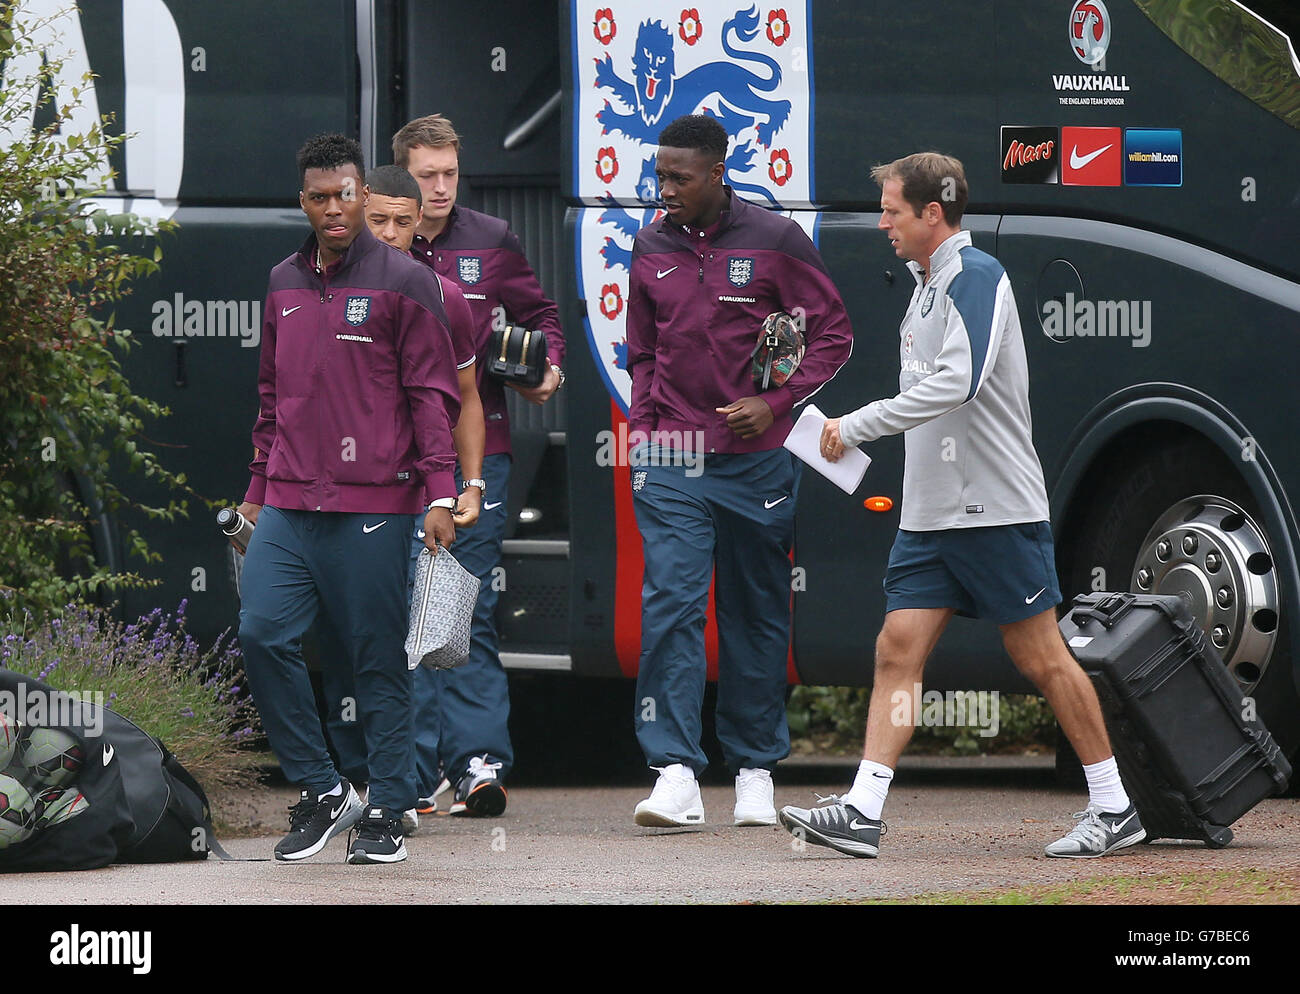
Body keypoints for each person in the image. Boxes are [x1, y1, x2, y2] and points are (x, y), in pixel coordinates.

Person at [778, 152, 1144, 859]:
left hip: (995, 509)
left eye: (892, 210)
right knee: (897, 649)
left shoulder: (978, 278)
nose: (881, 222)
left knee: (1041, 657)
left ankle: (1115, 805)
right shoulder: (923, 288)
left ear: (932, 214)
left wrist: (854, 427)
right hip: (929, 515)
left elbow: (960, 383)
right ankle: (864, 807)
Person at [234, 133, 461, 864]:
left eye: (345, 194)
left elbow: (432, 396)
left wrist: (440, 493)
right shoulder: (281, 282)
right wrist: (255, 492)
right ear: (302, 202)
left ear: (365, 195)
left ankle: (389, 809)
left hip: (377, 504)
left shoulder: (405, 280)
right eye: (318, 197)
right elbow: (271, 397)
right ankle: (323, 788)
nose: (333, 208)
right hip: (291, 503)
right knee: (262, 633)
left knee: (376, 661)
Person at [624, 114, 853, 828]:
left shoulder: (777, 239)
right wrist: (644, 428)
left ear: (718, 173)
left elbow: (834, 335)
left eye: (679, 178)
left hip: (756, 463)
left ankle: (755, 770)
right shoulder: (650, 243)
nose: (664, 190)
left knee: (755, 613)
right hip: (670, 455)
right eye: (659, 175)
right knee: (670, 604)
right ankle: (675, 772)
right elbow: (641, 351)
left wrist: (775, 401)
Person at [390, 113, 566, 817]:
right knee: (408, 609)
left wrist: (545, 368)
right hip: (395, 458)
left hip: (478, 451)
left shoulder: (491, 239)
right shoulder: (378, 242)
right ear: (401, 172)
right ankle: (412, 766)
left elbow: (543, 315)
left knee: (464, 603)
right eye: (426, 175)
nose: (439, 187)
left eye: (449, 174)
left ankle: (477, 762)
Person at [316, 163, 486, 836]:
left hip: (414, 493)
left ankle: (404, 784)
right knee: (338, 641)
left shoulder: (447, 296)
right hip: (329, 494)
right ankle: (357, 779)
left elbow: (467, 399)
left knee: (411, 639)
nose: (388, 234)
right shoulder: (320, 286)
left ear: (422, 224)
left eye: (402, 222)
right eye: (376, 219)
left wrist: (467, 485)